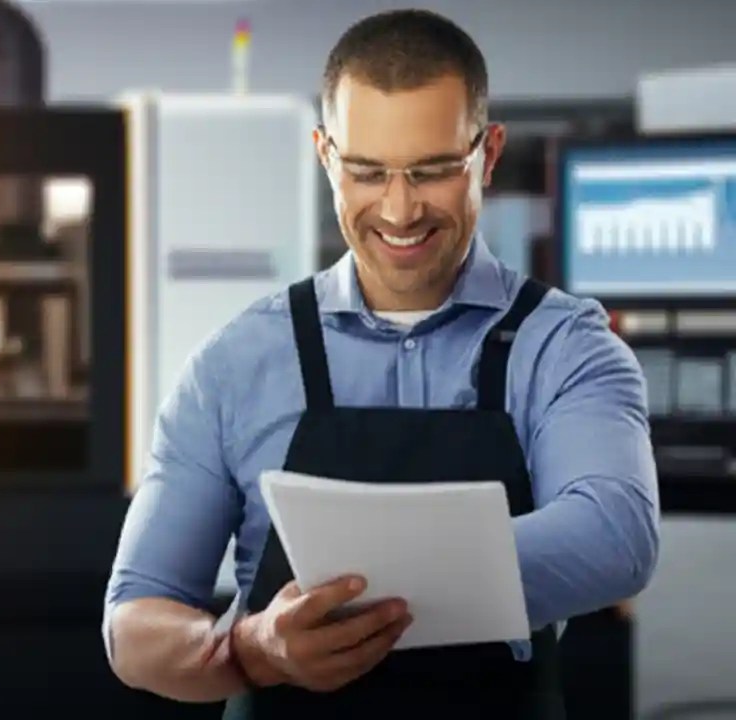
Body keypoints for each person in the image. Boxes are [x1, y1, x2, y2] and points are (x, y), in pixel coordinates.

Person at [101, 8, 660, 719]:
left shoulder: (565, 347)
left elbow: (616, 536)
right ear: (325, 156)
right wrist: (252, 650)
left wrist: (370, 589)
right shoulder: (235, 363)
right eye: (367, 173)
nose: (399, 211)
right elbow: (133, 623)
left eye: (432, 171)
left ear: (486, 154)